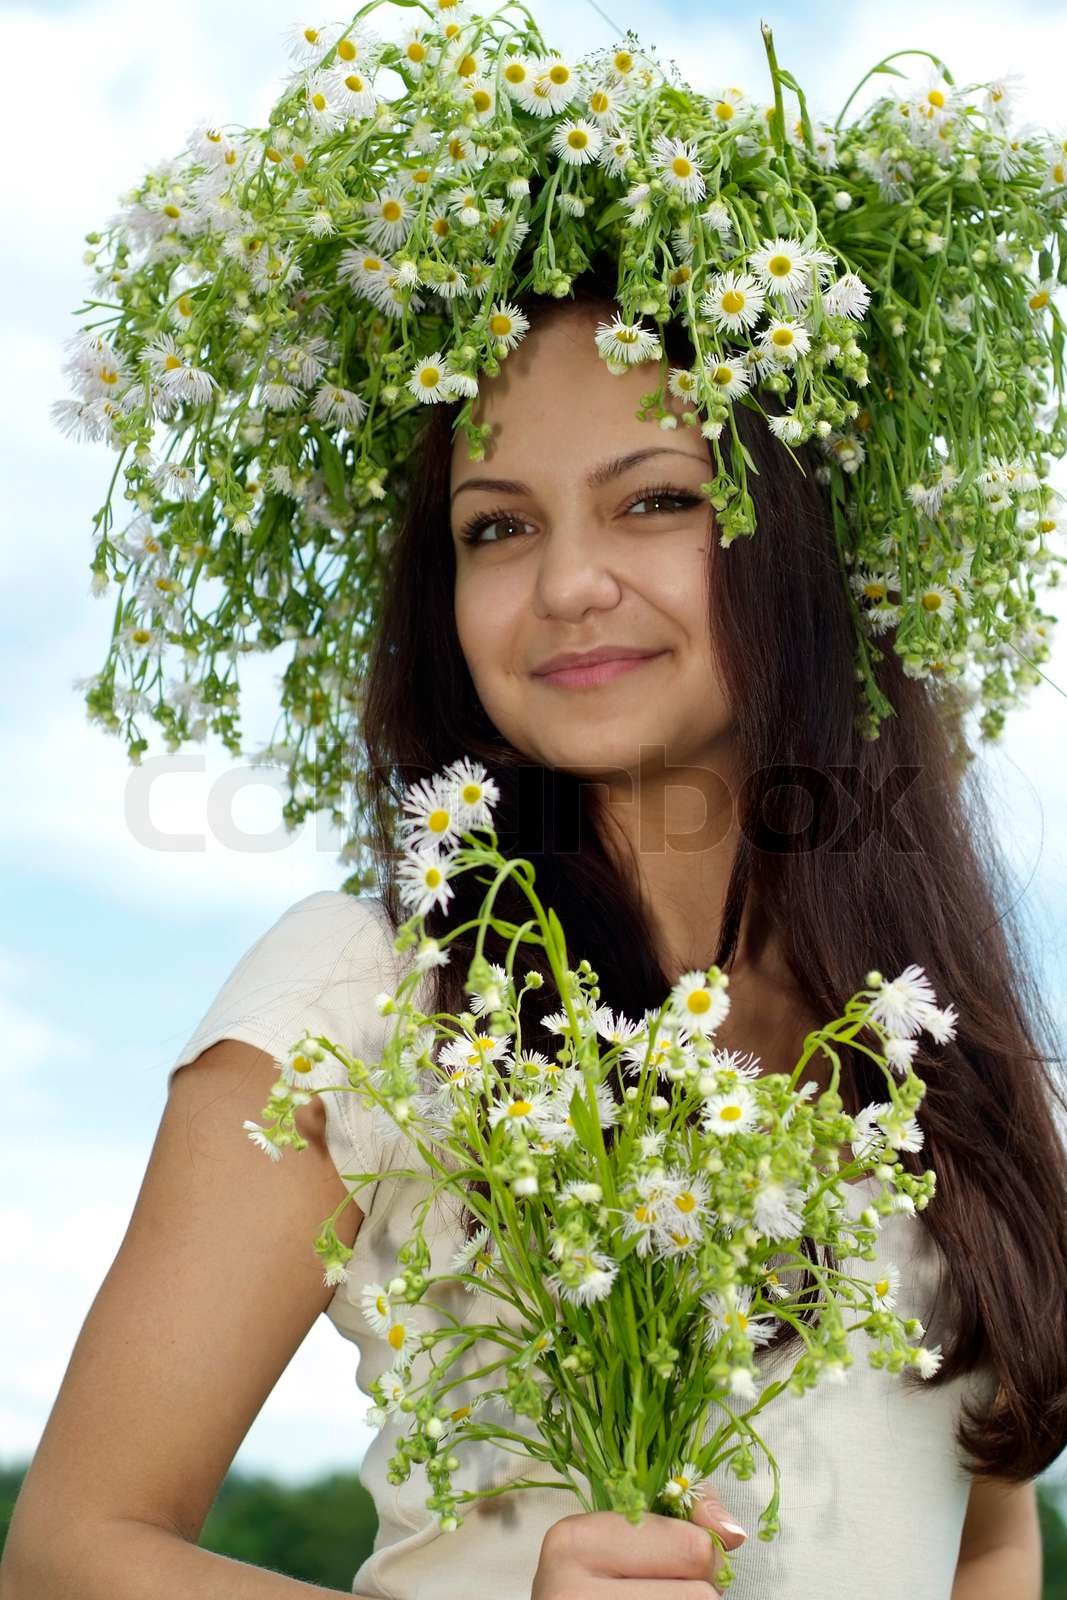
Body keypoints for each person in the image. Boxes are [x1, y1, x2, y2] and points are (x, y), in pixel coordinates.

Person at [3, 270, 1060, 1600]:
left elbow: (988, 1531)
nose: (565, 583)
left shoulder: (960, 1068)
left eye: (658, 499)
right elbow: (64, 1555)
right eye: (496, 529)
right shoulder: (364, 993)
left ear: (811, 538)